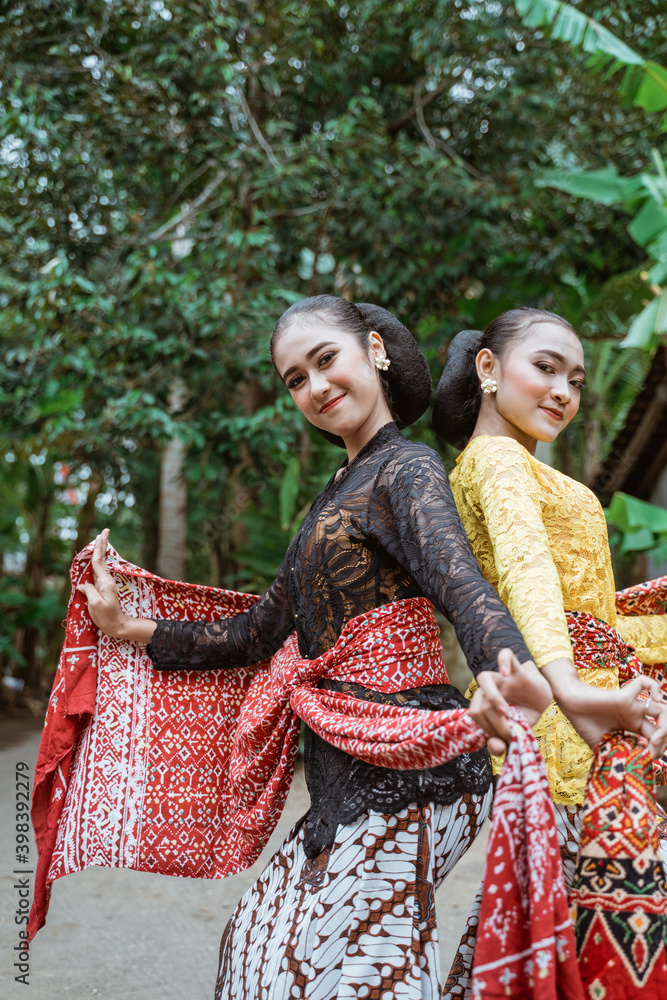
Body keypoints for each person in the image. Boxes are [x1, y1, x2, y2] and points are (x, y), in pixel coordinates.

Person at [78, 297, 664, 1000]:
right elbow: (257, 631)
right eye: (296, 379)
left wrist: (527, 679)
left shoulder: (407, 470)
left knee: (364, 974)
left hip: (412, 764)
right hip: (342, 769)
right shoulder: (336, 492)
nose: (316, 386)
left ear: (376, 351)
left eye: (326, 359)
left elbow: (464, 587)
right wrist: (128, 628)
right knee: (254, 950)